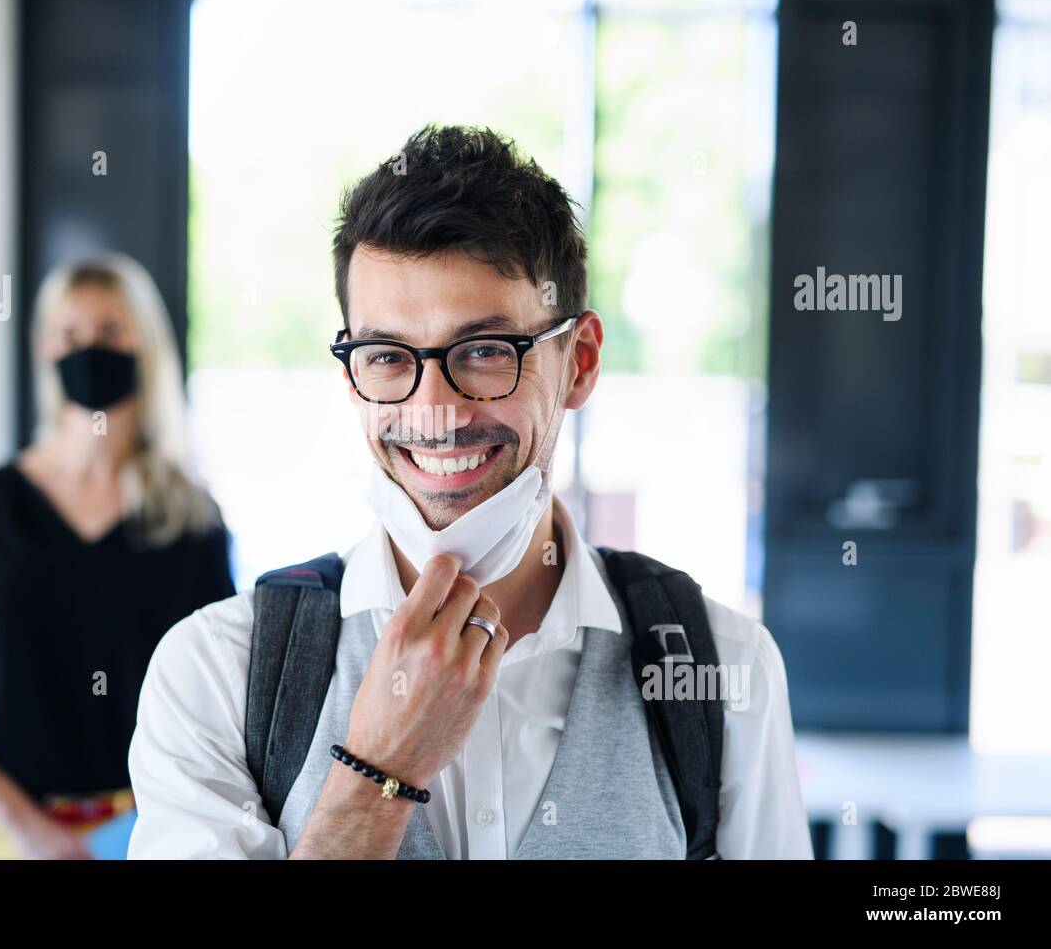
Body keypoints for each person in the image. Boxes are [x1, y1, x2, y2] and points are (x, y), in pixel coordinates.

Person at [127, 125, 812, 859]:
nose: (434, 411)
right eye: (388, 356)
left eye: (485, 351)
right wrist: (379, 774)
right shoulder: (214, 674)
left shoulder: (719, 671)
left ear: (578, 363)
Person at [0, 253, 235, 859]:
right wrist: (23, 823)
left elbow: (221, 695)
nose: (89, 349)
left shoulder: (191, 521)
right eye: (69, 334)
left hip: (136, 830)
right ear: (45, 349)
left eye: (110, 332)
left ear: (145, 346)